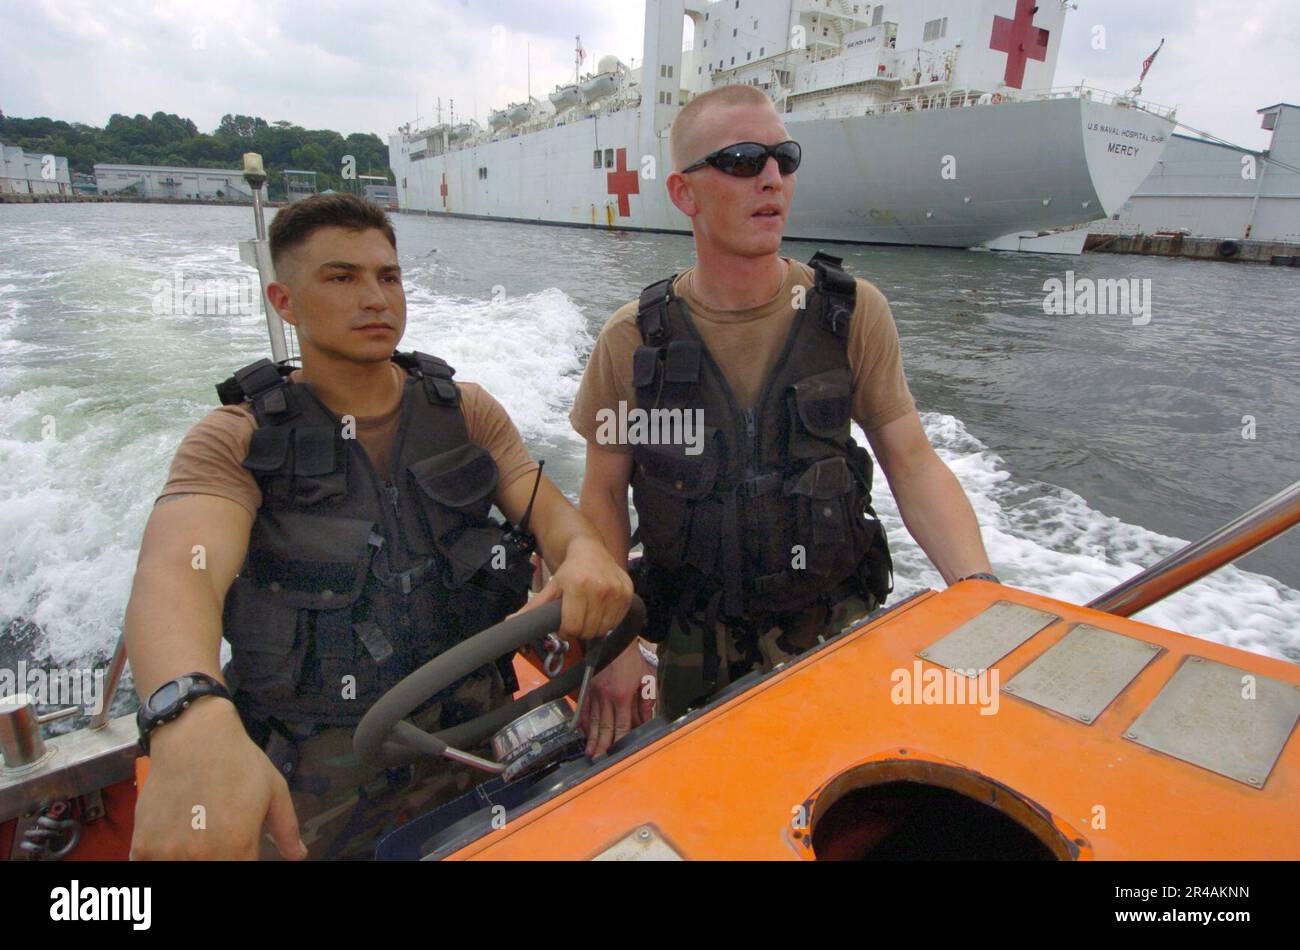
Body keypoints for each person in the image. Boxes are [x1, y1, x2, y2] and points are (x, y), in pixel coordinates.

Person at [126, 193, 633, 860]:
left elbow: (557, 521)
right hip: (318, 778)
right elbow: (174, 574)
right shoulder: (238, 442)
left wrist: (589, 558)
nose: (375, 298)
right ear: (283, 301)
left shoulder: (467, 414)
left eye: (387, 277)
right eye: (341, 278)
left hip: (481, 734)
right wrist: (187, 714)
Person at [571, 85, 997, 748]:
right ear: (685, 195)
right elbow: (601, 498)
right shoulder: (630, 343)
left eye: (784, 158)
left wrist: (980, 592)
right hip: (695, 655)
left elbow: (912, 463)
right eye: (742, 160)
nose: (771, 178)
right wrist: (616, 643)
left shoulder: (853, 314)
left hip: (839, 632)